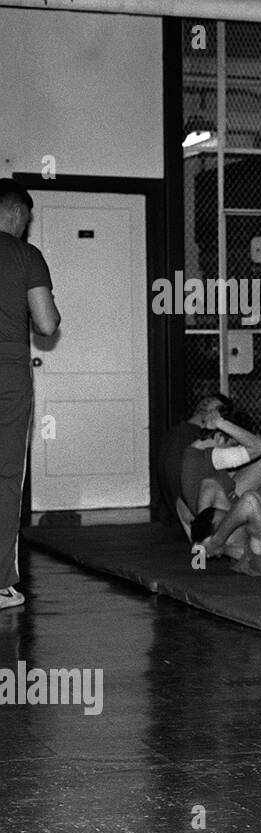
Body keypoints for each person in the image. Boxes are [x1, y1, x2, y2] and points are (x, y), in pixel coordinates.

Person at [0, 179, 61, 610]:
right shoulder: (26, 255)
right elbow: (46, 324)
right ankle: (1, 584)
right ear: (19, 214)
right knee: (6, 480)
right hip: (7, 380)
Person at [178, 411, 261, 533]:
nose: (234, 449)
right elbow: (260, 447)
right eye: (233, 445)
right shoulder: (211, 456)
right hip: (224, 517)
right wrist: (220, 423)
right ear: (219, 438)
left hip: (219, 507)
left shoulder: (193, 452)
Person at [158, 393, 232, 532]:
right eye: (207, 400)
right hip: (189, 515)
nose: (206, 402)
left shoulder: (184, 433)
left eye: (212, 402)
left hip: (183, 513)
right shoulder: (191, 437)